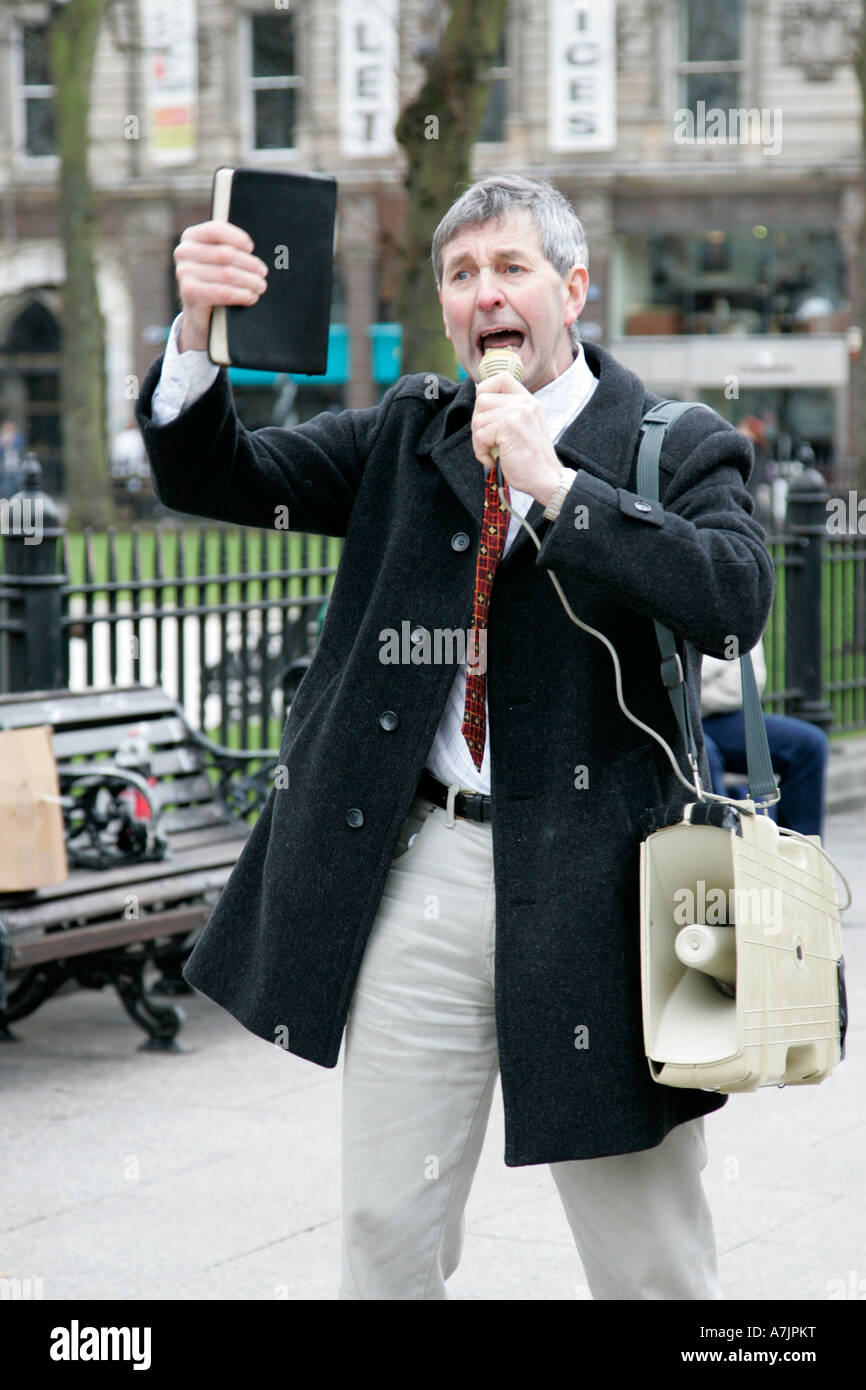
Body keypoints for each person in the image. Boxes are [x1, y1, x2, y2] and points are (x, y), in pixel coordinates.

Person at [135, 174, 774, 1300]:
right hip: (424, 868)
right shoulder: (410, 431)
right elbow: (217, 473)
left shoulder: (675, 442)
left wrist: (554, 484)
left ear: (571, 289)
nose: (486, 294)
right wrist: (197, 330)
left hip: (608, 891)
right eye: (462, 274)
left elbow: (731, 596)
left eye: (511, 268)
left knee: (647, 1255)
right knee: (387, 1228)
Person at [701, 637, 829, 837]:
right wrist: (722, 661)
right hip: (671, 718)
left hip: (720, 717)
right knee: (704, 752)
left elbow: (748, 680)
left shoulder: (734, 605)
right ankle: (729, 848)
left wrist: (698, 670)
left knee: (810, 744)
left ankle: (796, 854)